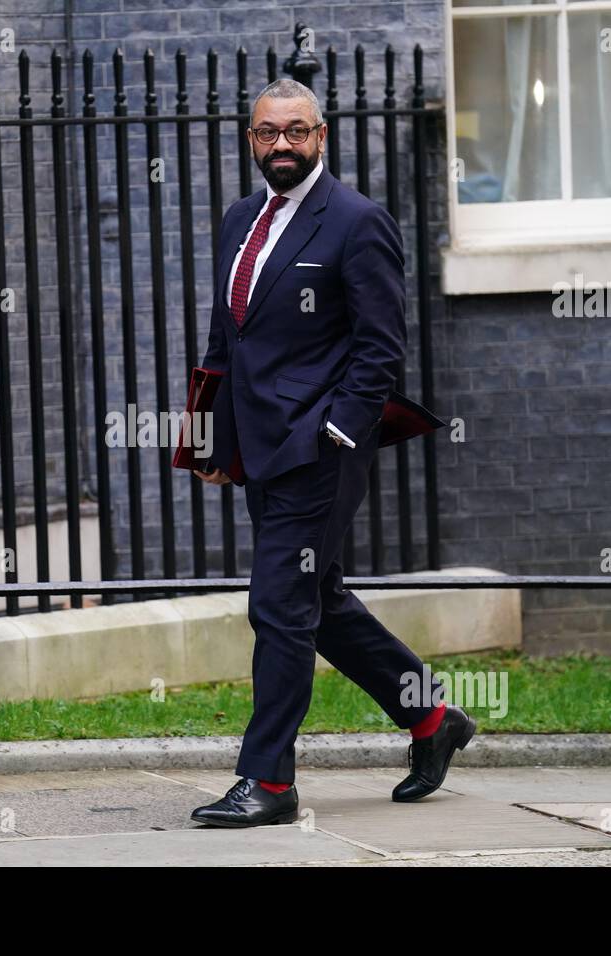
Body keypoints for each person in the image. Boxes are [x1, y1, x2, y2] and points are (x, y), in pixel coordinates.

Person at [188, 78, 474, 828]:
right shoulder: (240, 220)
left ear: (322, 135)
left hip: (320, 451)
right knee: (322, 603)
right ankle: (432, 718)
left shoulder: (356, 222)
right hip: (260, 446)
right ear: (251, 140)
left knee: (278, 607)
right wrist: (211, 437)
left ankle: (269, 784)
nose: (281, 144)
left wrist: (338, 434)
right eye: (266, 133)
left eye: (296, 131)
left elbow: (381, 348)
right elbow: (228, 341)